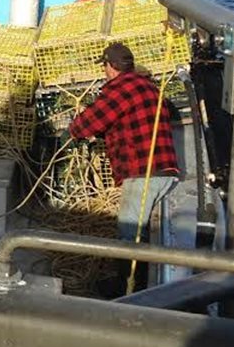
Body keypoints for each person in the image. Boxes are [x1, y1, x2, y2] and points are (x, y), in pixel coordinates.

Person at [69, 42, 179, 242]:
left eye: (104, 66)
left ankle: (129, 273)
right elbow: (134, 120)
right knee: (146, 232)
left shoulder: (120, 90)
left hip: (142, 175)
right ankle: (143, 269)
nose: (104, 72)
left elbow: (87, 123)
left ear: (111, 66)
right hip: (166, 170)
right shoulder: (150, 87)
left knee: (130, 234)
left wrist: (73, 132)